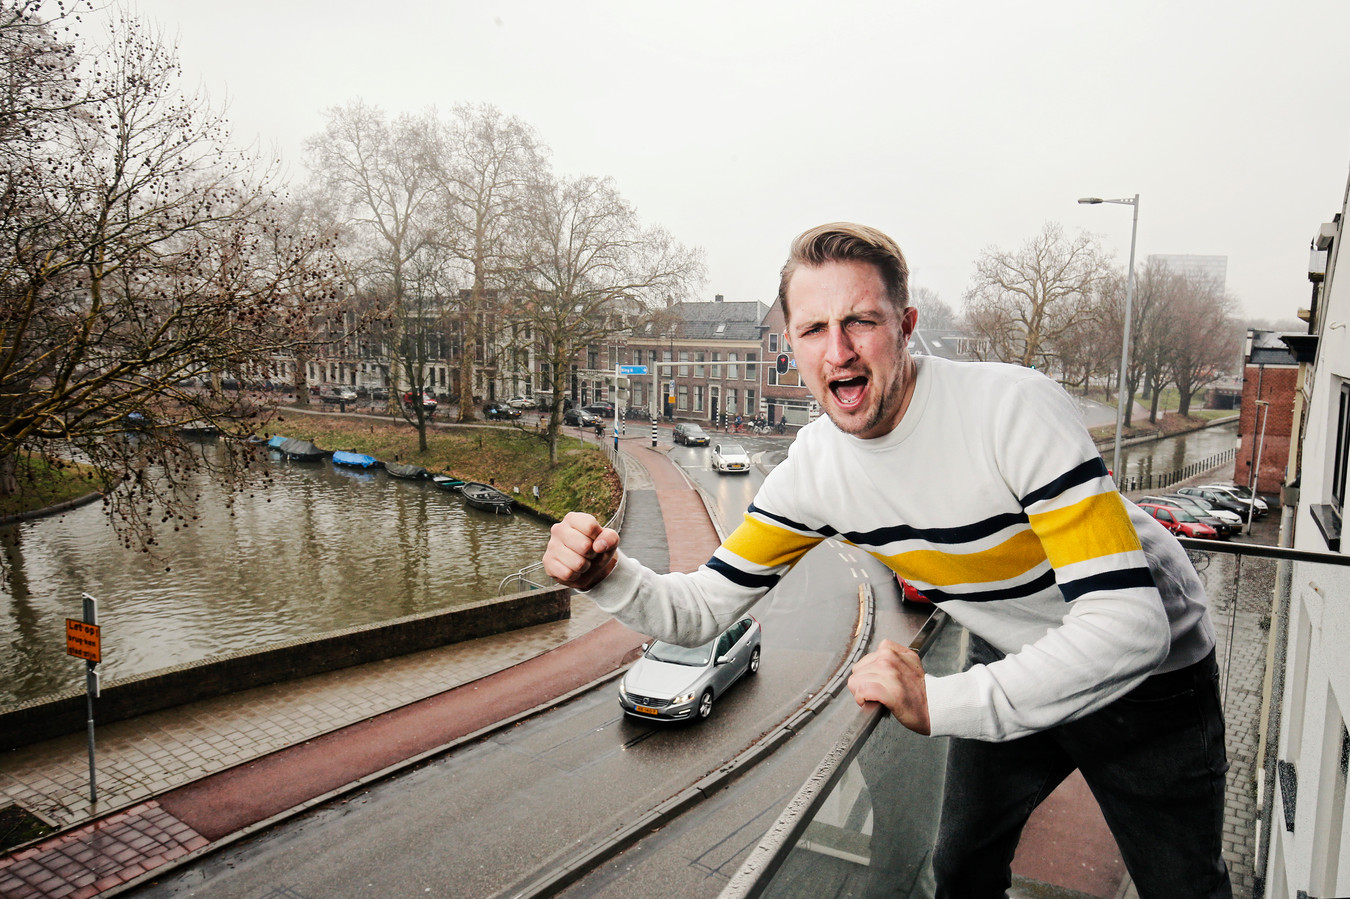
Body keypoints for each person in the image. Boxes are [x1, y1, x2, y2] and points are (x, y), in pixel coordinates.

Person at [543, 222, 1229, 898]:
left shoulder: (1009, 410)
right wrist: (609, 574)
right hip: (1014, 648)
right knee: (958, 866)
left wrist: (938, 700)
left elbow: (1128, 625)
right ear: (790, 346)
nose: (838, 350)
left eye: (860, 322)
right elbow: (697, 613)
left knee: (1183, 884)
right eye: (813, 330)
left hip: (1155, 680)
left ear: (906, 325)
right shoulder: (814, 471)